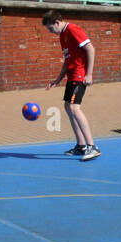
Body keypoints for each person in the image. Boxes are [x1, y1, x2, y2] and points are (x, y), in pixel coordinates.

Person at [42, 10, 99, 160]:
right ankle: (81, 146)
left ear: (57, 22)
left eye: (50, 28)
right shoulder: (62, 36)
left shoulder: (73, 29)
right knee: (68, 107)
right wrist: (57, 80)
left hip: (80, 75)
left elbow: (90, 49)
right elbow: (68, 60)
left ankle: (92, 146)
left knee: (74, 108)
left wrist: (89, 74)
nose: (50, 31)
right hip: (72, 75)